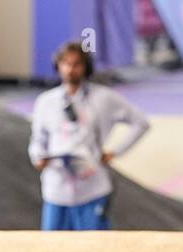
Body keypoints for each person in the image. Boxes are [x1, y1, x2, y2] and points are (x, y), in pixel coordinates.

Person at [28, 40, 150, 231]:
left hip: (92, 189)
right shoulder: (46, 102)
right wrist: (38, 157)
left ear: (86, 67)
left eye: (76, 64)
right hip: (56, 190)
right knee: (52, 250)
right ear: (58, 66)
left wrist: (115, 152)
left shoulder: (104, 98)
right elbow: (37, 141)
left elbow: (141, 123)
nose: (71, 69)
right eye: (66, 63)